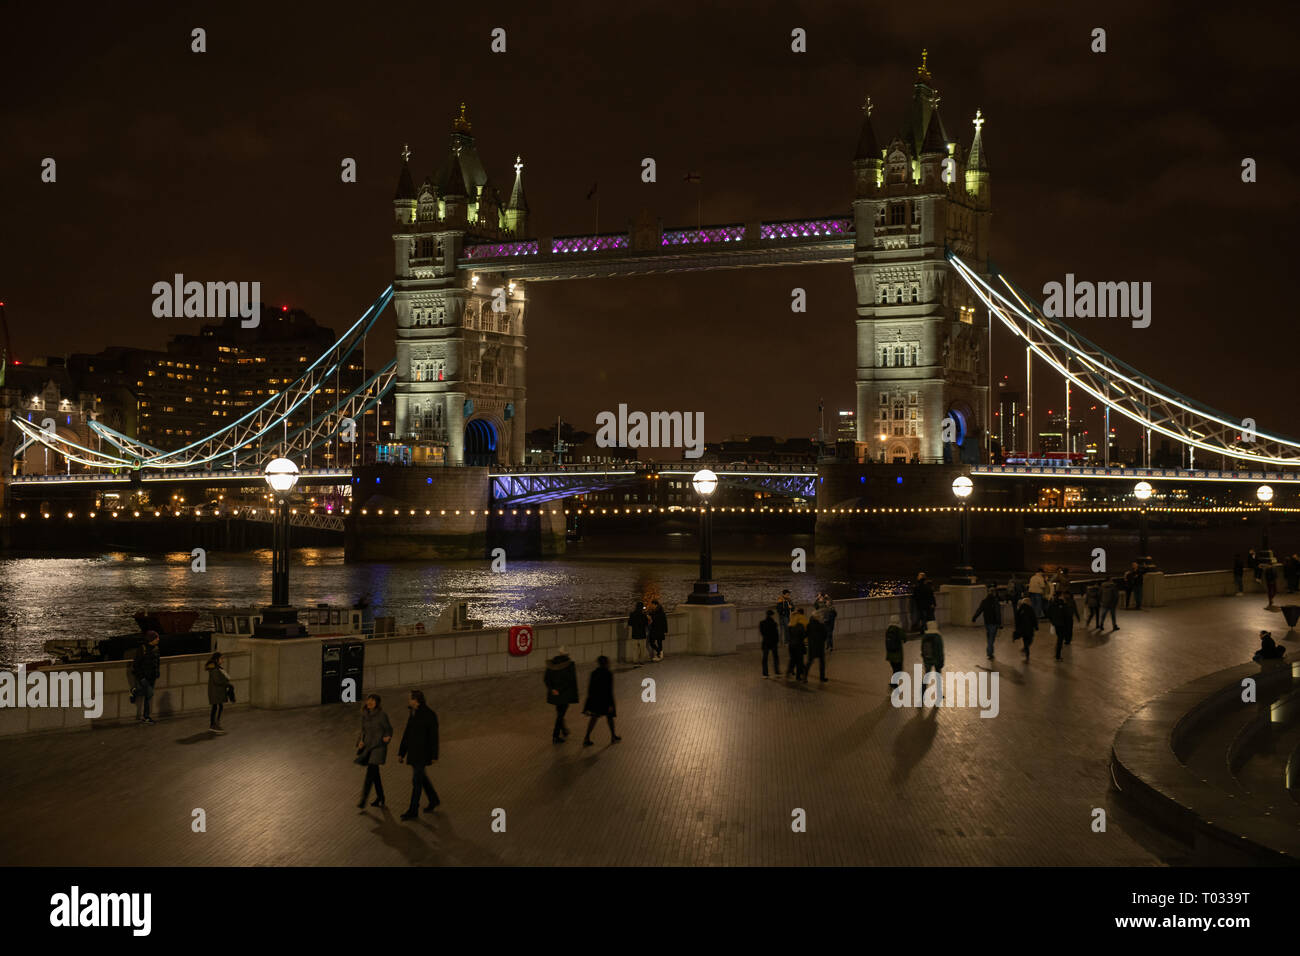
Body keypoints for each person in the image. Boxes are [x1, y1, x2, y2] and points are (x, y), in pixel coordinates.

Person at [397, 689, 439, 820]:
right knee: (421, 778)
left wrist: (434, 755)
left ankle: (413, 810)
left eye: (410, 698)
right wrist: (401, 752)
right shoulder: (413, 713)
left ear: (416, 700)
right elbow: (407, 733)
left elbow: (433, 737)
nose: (408, 700)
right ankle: (433, 799)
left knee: (417, 782)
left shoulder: (429, 715)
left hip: (422, 754)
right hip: (414, 753)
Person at [356, 693, 393, 809]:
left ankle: (363, 799)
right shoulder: (364, 715)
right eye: (369, 700)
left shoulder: (382, 715)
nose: (370, 702)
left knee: (370, 771)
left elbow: (389, 729)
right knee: (375, 774)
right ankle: (381, 797)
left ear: (377, 703)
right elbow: (363, 731)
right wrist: (361, 741)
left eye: (373, 700)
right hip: (368, 747)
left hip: (378, 747)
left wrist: (387, 737)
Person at [581, 656, 620, 746]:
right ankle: (613, 736)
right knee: (609, 718)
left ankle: (587, 737)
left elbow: (590, 688)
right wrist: (611, 704)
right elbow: (609, 690)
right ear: (606, 663)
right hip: (605, 700)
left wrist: (589, 702)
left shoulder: (594, 673)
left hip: (596, 700)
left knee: (594, 718)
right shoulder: (608, 674)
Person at [544, 646, 579, 743]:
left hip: (554, 694)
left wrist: (553, 689)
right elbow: (570, 681)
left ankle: (564, 730)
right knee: (561, 713)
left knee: (559, 711)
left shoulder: (551, 664)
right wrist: (560, 690)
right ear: (567, 654)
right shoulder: (569, 665)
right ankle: (555, 735)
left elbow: (546, 679)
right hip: (564, 694)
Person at [131, 631, 161, 724]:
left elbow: (157, 662)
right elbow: (136, 665)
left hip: (152, 677)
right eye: (156, 638)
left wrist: (157, 672)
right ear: (151, 639)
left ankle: (146, 716)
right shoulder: (142, 649)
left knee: (148, 697)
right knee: (150, 693)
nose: (158, 639)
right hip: (143, 677)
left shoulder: (156, 648)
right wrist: (141, 677)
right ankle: (135, 691)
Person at [1048, 589, 1080, 661]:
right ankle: (1057, 656)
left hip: (1056, 624)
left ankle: (1057, 652)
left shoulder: (1052, 603)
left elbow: (1049, 613)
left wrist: (1052, 621)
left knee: (1059, 637)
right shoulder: (1062, 603)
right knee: (1060, 639)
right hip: (1062, 624)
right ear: (1060, 595)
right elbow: (1067, 614)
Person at [204, 651, 232, 734]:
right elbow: (218, 680)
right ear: (216, 659)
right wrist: (226, 682)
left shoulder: (216, 668)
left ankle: (214, 724)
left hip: (216, 691)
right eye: (221, 658)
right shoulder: (215, 669)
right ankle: (214, 725)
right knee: (217, 707)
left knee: (217, 707)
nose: (222, 660)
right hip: (215, 692)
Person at [971, 584, 1001, 659]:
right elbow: (998, 613)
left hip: (987, 622)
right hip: (994, 623)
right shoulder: (995, 601)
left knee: (989, 637)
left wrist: (974, 617)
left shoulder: (984, 601)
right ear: (994, 593)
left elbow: (979, 610)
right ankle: (989, 653)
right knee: (992, 638)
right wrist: (999, 623)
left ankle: (990, 652)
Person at [920, 621, 944, 702]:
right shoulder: (938, 637)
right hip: (937, 660)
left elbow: (922, 649)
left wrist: (924, 658)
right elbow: (940, 651)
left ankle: (922, 696)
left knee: (926, 678)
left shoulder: (925, 637)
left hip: (928, 660)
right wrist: (941, 662)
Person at [806, 609, 829, 682]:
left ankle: (804, 676)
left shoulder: (809, 625)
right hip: (819, 646)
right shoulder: (821, 625)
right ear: (817, 617)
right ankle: (822, 677)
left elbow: (807, 634)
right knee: (822, 663)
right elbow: (825, 635)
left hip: (812, 646)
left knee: (809, 662)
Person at [786, 609, 808, 682]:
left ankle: (789, 672)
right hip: (799, 645)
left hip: (791, 645)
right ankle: (799, 676)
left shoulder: (791, 624)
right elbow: (804, 635)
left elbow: (789, 634)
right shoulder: (802, 624)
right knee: (799, 661)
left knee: (793, 660)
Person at [1013, 596, 1038, 661]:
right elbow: (1034, 618)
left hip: (1023, 630)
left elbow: (1017, 620)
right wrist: (1036, 626)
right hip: (1029, 629)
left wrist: (1017, 629)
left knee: (1025, 642)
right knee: (1030, 640)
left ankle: (1027, 655)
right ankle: (1025, 650)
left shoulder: (1019, 610)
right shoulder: (1031, 609)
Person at [626, 600, 650, 666]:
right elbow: (646, 624)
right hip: (642, 634)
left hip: (635, 634)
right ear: (642, 607)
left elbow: (629, 623)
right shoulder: (643, 615)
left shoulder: (632, 614)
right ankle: (642, 661)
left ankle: (635, 662)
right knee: (642, 649)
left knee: (635, 649)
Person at [759, 609, 781, 678]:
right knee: (775, 657)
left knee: (765, 658)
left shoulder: (762, 623)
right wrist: (777, 641)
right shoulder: (774, 623)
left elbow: (762, 633)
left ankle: (765, 673)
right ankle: (777, 671)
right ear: (772, 615)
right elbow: (776, 634)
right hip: (773, 642)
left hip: (766, 642)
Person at [885, 622, 906, 690]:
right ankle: (894, 684)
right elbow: (905, 638)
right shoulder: (898, 630)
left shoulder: (888, 630)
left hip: (890, 655)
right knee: (899, 670)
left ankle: (893, 683)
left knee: (894, 669)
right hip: (898, 655)